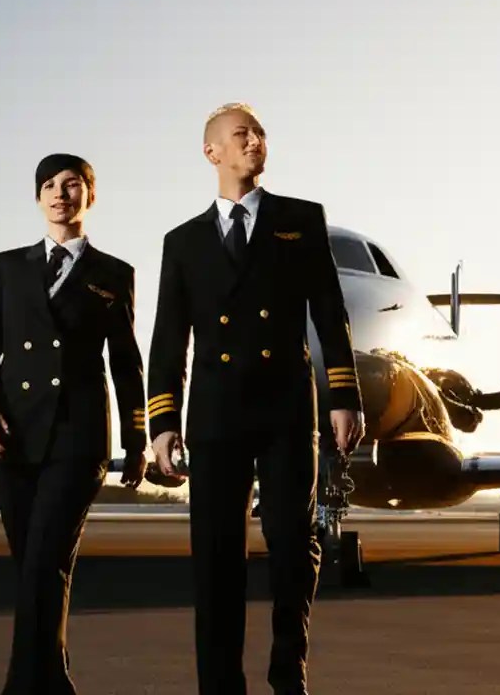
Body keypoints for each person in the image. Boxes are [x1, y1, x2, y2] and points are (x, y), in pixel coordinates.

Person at [147, 103, 365, 694]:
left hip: (287, 410)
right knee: (216, 557)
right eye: (242, 133)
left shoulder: (300, 219)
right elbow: (169, 340)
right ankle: (220, 685)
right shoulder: (182, 241)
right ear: (211, 152)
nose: (256, 140)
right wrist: (163, 422)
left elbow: (329, 312)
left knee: (295, 546)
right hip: (214, 417)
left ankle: (287, 669)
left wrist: (343, 395)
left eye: (261, 132)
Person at [0, 153, 147, 694]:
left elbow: (126, 363)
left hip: (76, 437)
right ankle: (53, 683)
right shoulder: (7, 266)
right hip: (12, 438)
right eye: (49, 184)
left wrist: (137, 439)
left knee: (44, 566)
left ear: (90, 196)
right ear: (37, 197)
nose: (59, 193)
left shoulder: (113, 275)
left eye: (72, 185)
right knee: (38, 572)